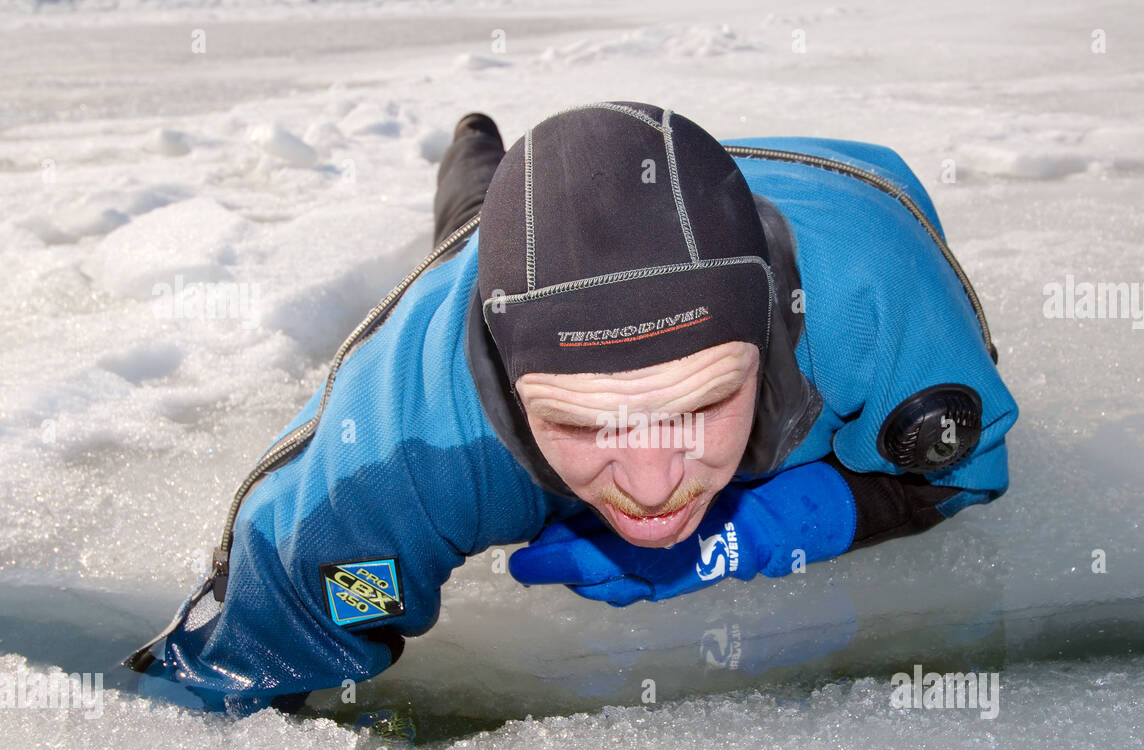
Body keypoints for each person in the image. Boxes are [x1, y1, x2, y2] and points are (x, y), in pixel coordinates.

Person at [126, 101, 1019, 714]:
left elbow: (963, 474)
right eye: (581, 421)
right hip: (477, 279)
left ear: (773, 339)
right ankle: (475, 149)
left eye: (703, 402)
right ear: (508, 389)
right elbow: (259, 650)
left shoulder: (874, 311)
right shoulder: (399, 452)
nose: (652, 484)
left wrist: (772, 523)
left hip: (832, 189)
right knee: (471, 227)